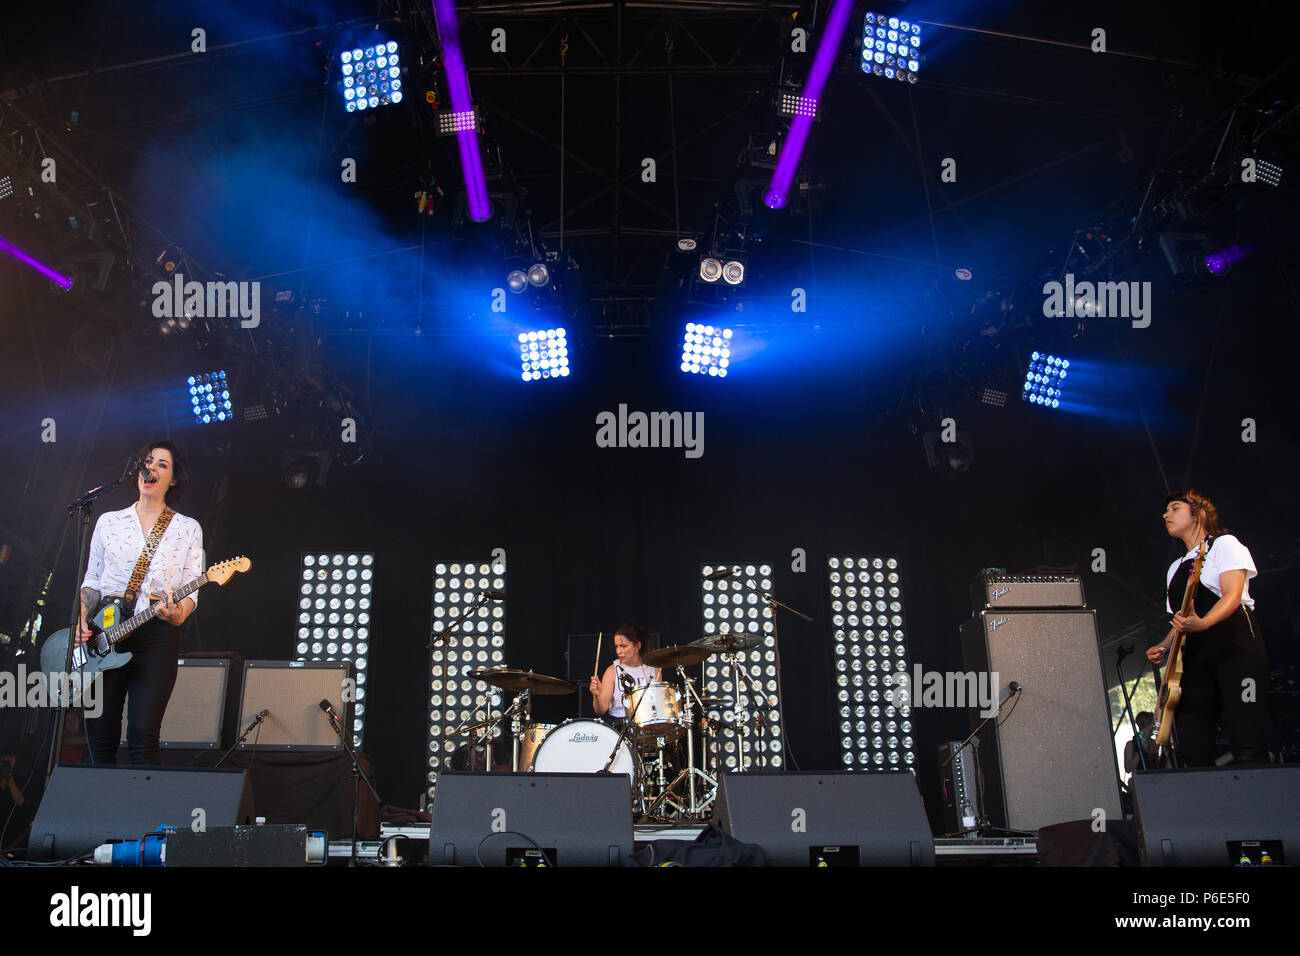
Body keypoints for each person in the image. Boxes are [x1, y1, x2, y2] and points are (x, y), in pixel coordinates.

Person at [78, 441, 203, 765]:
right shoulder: (108, 521)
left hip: (157, 632)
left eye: (162, 464)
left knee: (143, 734)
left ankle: (140, 814)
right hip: (105, 629)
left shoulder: (187, 528)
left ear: (174, 479)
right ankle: (95, 813)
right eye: (148, 462)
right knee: (98, 736)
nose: (152, 468)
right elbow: (92, 580)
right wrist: (81, 620)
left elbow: (191, 592)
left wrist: (177, 616)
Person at [1146, 490, 1270, 766]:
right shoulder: (1175, 568)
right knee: (1192, 741)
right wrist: (1165, 646)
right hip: (1194, 654)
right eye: (1166, 510)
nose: (1166, 515)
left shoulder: (1224, 545)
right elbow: (1179, 617)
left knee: (1246, 731)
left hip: (1234, 643)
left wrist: (1202, 623)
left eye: (1175, 508)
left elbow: (1232, 596)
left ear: (1199, 514)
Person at [588, 623, 662, 722]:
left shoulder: (654, 670)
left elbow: (658, 705)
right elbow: (601, 710)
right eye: (616, 647)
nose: (619, 651)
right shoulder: (612, 671)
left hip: (648, 723)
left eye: (623, 646)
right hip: (620, 724)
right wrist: (596, 695)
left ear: (637, 646)